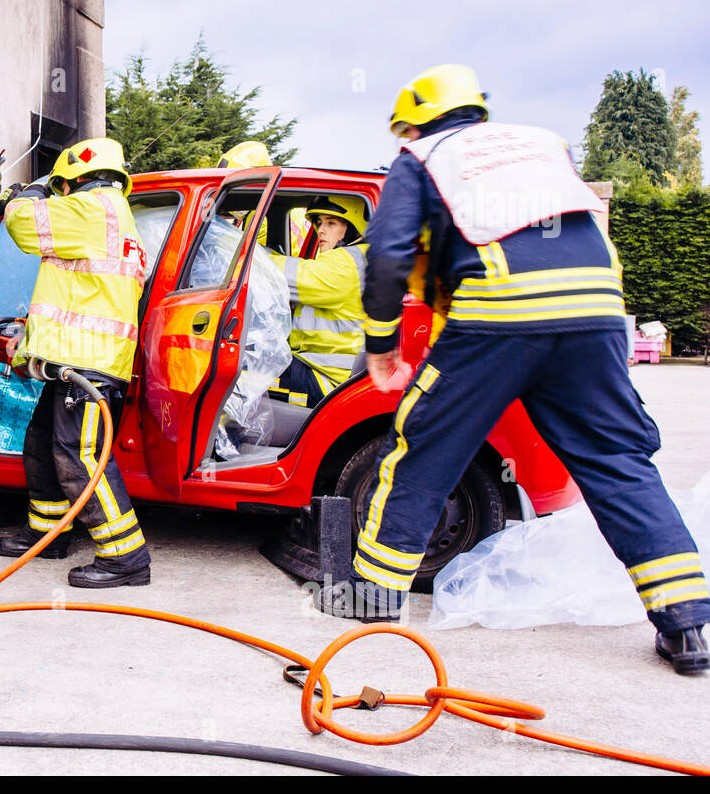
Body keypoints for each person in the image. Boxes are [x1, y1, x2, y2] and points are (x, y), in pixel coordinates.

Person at [313, 63, 709, 675]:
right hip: (597, 312)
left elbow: (389, 255)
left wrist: (382, 341)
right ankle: (688, 625)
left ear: (413, 122)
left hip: (497, 313)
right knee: (618, 462)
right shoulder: (545, 146)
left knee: (424, 448)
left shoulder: (423, 156)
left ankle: (373, 595)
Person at [0, 138, 152, 588]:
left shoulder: (93, 209)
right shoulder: (109, 215)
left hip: (88, 364)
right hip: (76, 362)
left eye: (62, 186)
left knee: (79, 457)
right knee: (43, 444)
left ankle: (126, 557)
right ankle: (49, 533)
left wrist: (32, 192)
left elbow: (22, 224)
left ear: (75, 179)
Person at [267, 196, 367, 408]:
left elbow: (289, 274)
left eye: (331, 223)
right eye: (319, 222)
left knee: (245, 377)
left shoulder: (347, 264)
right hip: (330, 369)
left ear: (354, 229)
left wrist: (248, 256)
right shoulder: (360, 258)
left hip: (328, 379)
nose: (321, 230)